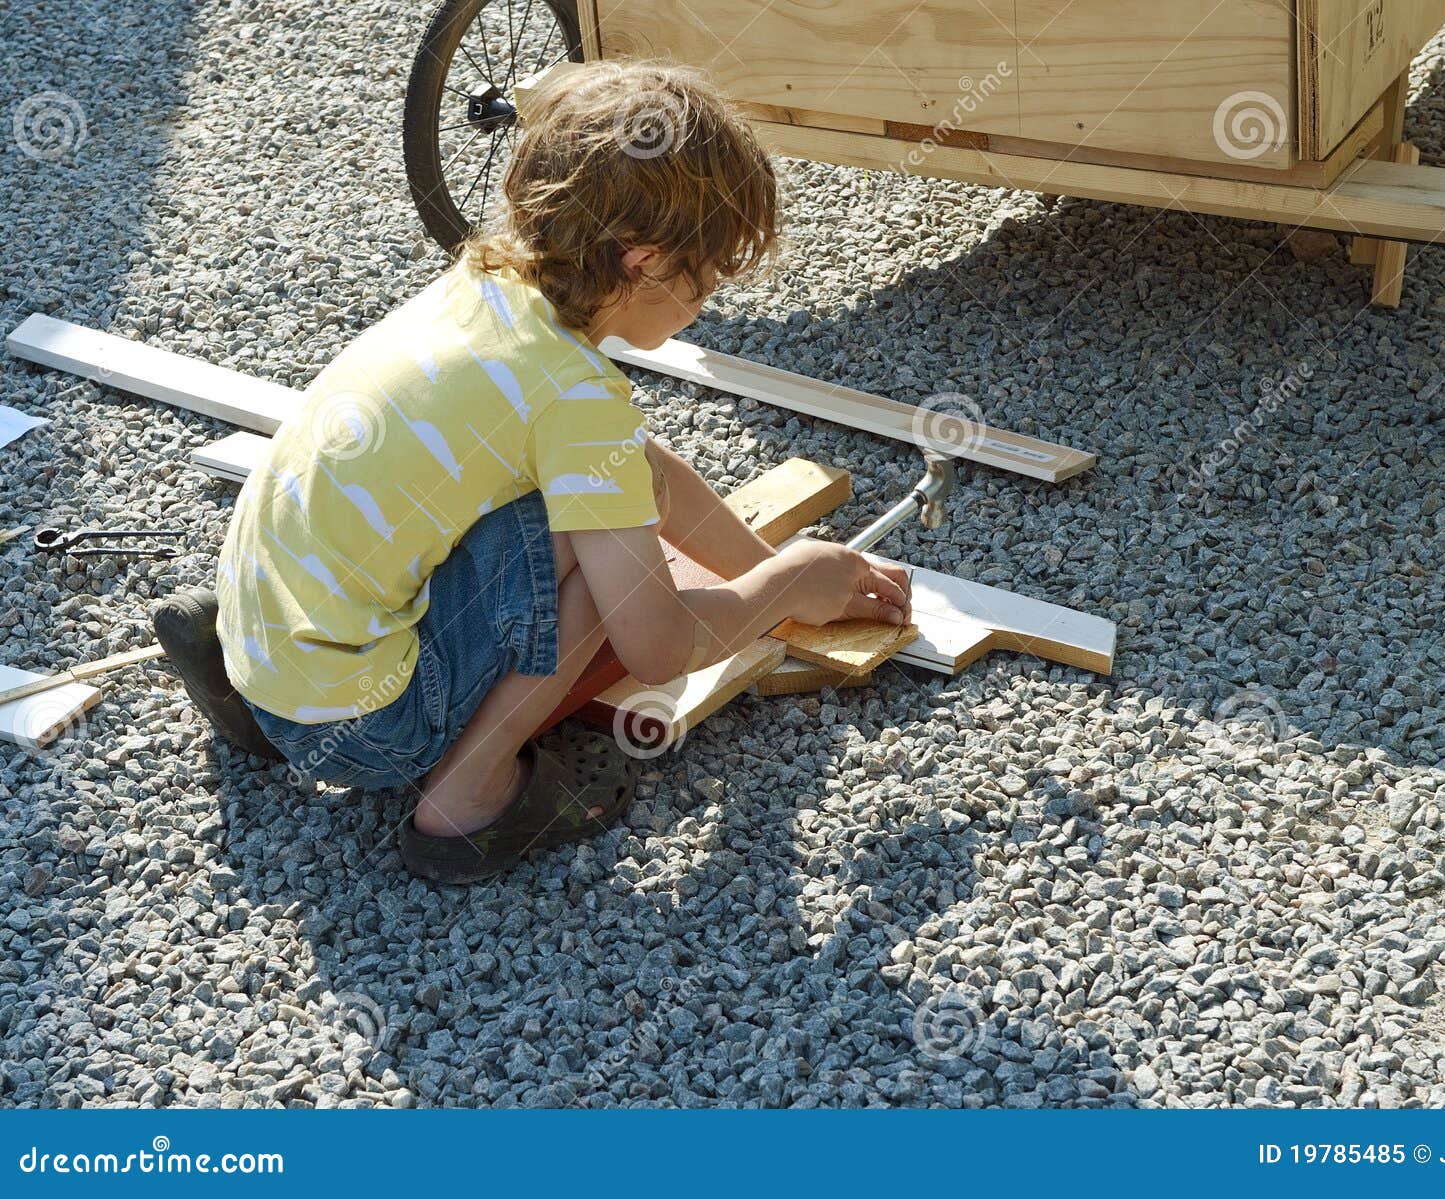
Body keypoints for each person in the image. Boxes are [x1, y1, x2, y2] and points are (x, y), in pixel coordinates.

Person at [154, 61, 910, 883]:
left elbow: (642, 477)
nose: (710, 299)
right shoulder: (578, 400)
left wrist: (762, 571)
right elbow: (656, 647)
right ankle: (467, 795)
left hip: (268, 648)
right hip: (371, 725)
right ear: (644, 261)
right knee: (599, 570)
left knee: (601, 490)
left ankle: (257, 710)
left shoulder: (486, 287)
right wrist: (790, 585)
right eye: (709, 276)